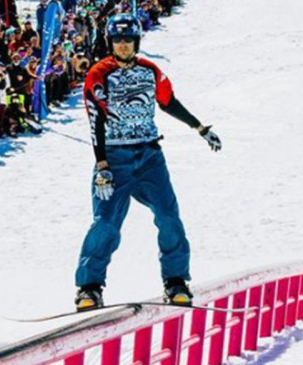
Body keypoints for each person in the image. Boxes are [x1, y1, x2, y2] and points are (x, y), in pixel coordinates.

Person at [73, 14, 221, 311]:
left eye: (128, 39)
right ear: (110, 42)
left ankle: (176, 281)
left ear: (137, 41)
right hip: (115, 158)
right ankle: (89, 287)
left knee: (168, 215)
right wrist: (102, 165)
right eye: (118, 40)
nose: (123, 45)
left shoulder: (150, 71)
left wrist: (199, 127)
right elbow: (95, 120)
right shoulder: (100, 73)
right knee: (106, 223)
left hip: (149, 155)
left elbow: (168, 102)